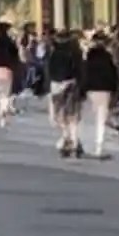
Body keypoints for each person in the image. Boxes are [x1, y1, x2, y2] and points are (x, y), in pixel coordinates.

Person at [46, 30, 85, 158]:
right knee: (72, 115)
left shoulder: (53, 53)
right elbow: (80, 70)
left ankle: (67, 137)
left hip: (57, 86)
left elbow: (49, 71)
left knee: (60, 115)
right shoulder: (75, 52)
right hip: (72, 84)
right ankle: (74, 141)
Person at [83, 31, 119, 160]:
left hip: (92, 88)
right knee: (101, 117)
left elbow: (85, 72)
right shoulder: (107, 56)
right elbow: (113, 74)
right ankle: (99, 146)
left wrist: (84, 88)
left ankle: (89, 144)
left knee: (94, 116)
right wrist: (115, 89)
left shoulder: (89, 56)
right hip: (104, 89)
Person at [0, 21, 20, 128]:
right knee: (6, 92)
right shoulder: (10, 42)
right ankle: (4, 110)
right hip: (7, 69)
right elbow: (15, 54)